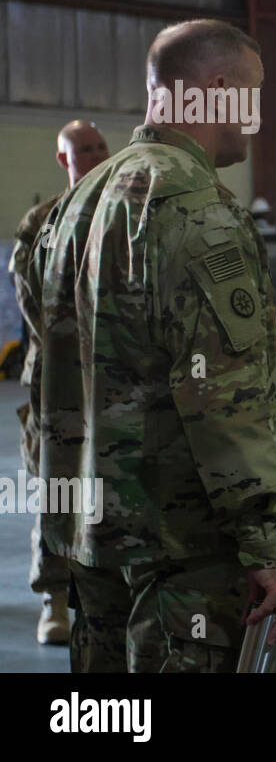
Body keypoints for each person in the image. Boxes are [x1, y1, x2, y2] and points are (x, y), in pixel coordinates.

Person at [38, 19, 276, 672]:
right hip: (178, 548)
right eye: (255, 93)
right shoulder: (199, 213)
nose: (260, 114)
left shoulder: (74, 204)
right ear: (217, 90)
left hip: (89, 536)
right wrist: (265, 549)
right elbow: (227, 399)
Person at [9, 120, 110, 644]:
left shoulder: (130, 212)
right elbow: (35, 302)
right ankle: (55, 599)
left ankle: (106, 600)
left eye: (99, 147)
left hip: (121, 385)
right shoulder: (41, 222)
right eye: (81, 151)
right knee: (59, 489)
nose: (93, 157)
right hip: (58, 382)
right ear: (62, 159)